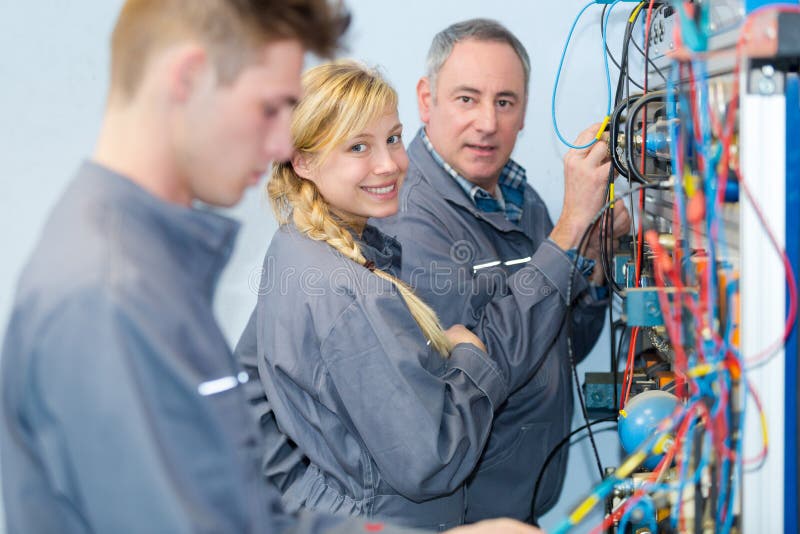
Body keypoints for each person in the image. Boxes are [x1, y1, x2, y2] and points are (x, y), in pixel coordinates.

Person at [0, 2, 541, 533]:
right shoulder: (107, 294)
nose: (284, 144)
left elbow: (237, 508)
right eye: (268, 108)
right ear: (186, 80)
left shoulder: (145, 267)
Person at [235, 60, 561, 531]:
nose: (388, 164)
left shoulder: (296, 245)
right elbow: (433, 460)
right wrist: (470, 357)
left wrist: (300, 496)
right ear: (302, 161)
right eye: (358, 147)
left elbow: (251, 394)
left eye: (392, 138)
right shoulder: (350, 293)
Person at [373, 18, 632, 523]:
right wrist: (570, 228)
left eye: (505, 101)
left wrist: (593, 258)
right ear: (426, 100)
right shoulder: (407, 218)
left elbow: (560, 341)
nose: (488, 123)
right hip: (467, 519)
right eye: (467, 99)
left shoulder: (517, 196)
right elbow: (478, 367)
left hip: (520, 506)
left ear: (523, 112)